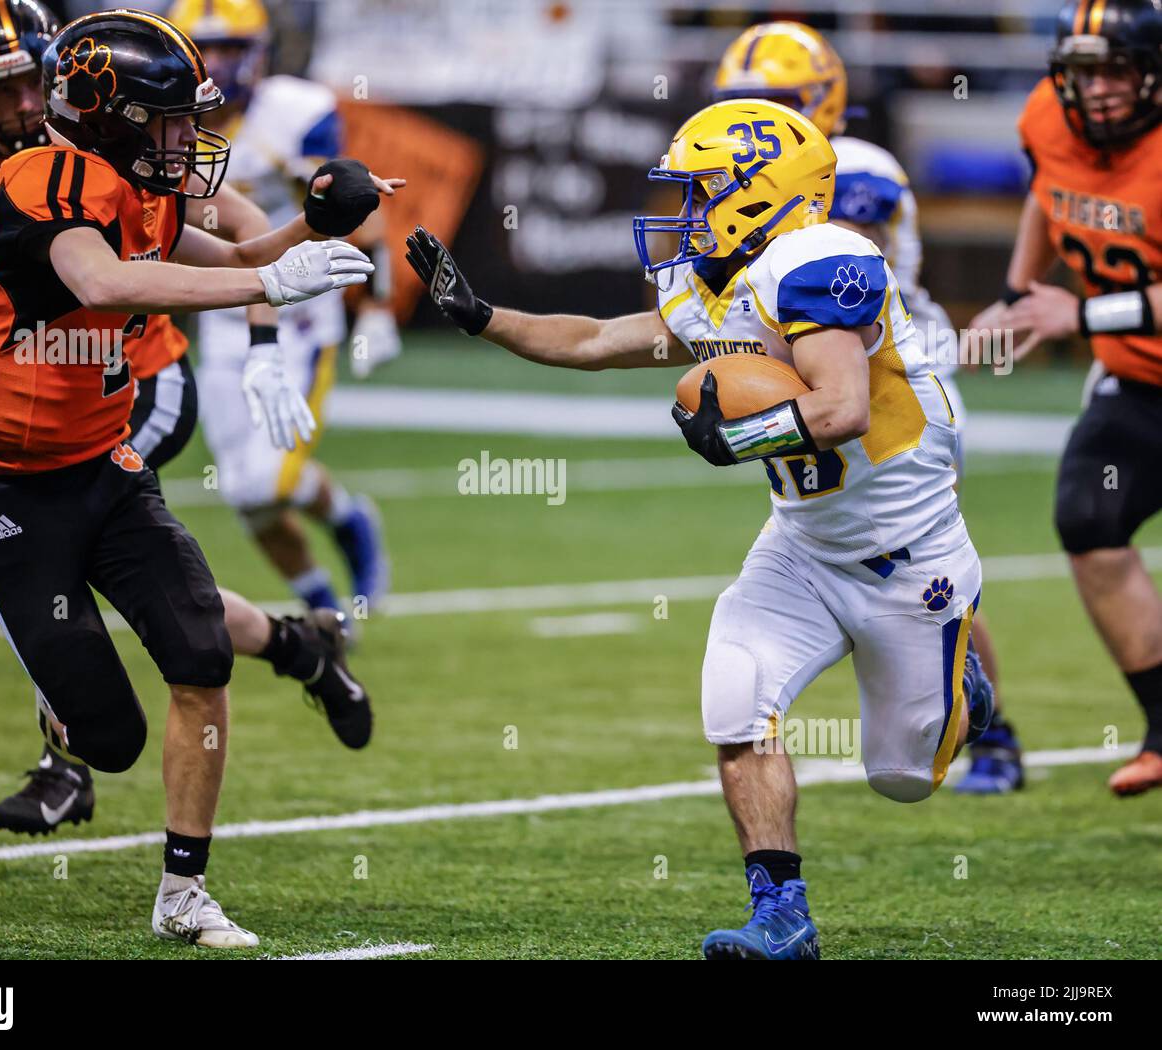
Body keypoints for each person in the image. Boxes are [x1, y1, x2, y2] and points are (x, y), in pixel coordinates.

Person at [408, 99, 994, 960]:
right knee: (734, 697)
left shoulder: (819, 259)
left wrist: (743, 435)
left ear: (762, 193)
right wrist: (483, 316)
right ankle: (781, 914)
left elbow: (839, 408)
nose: (684, 212)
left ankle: (961, 688)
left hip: (909, 557)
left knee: (904, 777)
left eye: (702, 191)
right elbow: (599, 339)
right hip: (800, 544)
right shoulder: (708, 281)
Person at [0, 9, 375, 946]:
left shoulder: (139, 183)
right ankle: (82, 740)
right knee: (112, 739)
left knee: (200, 655)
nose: (189, 138)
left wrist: (318, 223)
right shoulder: (43, 177)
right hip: (8, 485)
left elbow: (238, 257)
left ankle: (183, 893)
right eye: (172, 119)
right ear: (111, 117)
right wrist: (270, 288)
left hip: (106, 467)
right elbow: (105, 284)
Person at [713, 20, 1023, 795]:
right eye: (739, 102)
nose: (751, 122)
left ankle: (990, 720)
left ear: (821, 101)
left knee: (913, 547)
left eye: (774, 101)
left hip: (890, 372)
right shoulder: (744, 188)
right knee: (835, 533)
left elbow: (829, 281)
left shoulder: (855, 170)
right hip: (814, 366)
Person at [968, 0, 1162, 796]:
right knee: (1089, 517)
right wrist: (1019, 294)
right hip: (1140, 378)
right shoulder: (1049, 117)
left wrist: (1077, 313)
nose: (1101, 88)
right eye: (1084, 71)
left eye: (1117, 69)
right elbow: (1047, 195)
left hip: (1120, 338)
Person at [167, 0, 391, 622]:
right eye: (205, 48)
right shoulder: (164, 124)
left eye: (231, 48)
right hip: (222, 318)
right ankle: (322, 609)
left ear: (260, 51)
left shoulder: (295, 113)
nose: (217, 63)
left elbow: (355, 203)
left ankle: (350, 519)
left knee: (266, 481)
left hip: (297, 318)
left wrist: (377, 308)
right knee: (246, 495)